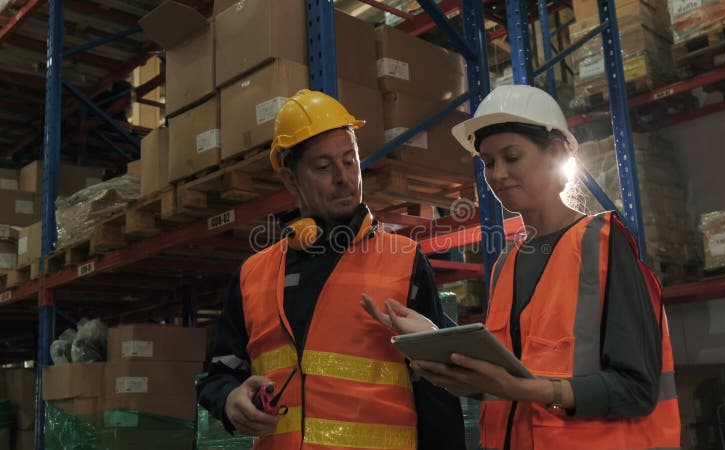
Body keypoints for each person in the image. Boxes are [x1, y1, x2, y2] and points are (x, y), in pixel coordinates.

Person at [361, 85, 681, 450]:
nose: (498, 174)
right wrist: (433, 337)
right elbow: (507, 384)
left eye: (512, 157)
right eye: (488, 162)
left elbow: (638, 388)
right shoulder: (506, 265)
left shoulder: (604, 244)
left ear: (556, 153)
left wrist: (536, 390)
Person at [196, 89, 465, 450]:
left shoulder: (403, 260)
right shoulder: (252, 275)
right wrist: (230, 400)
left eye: (350, 160)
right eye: (323, 167)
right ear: (291, 181)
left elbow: (437, 392)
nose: (344, 178)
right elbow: (219, 376)